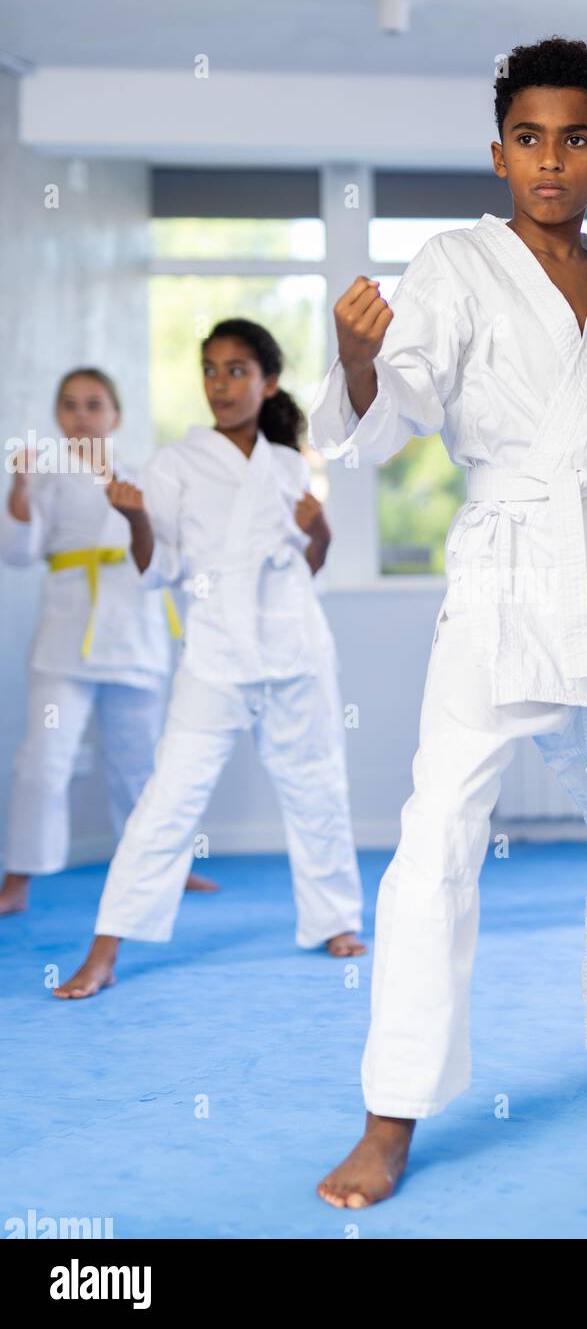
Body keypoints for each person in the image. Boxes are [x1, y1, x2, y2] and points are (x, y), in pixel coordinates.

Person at [311, 36, 587, 1211]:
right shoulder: (458, 265)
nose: (550, 162)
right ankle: (391, 1110)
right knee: (436, 843)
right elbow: (391, 412)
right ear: (497, 153)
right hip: (506, 572)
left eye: (574, 140)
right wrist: (360, 361)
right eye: (528, 139)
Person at [54, 320, 364, 999]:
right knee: (167, 799)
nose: (220, 385)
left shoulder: (286, 463)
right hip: (217, 648)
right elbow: (155, 569)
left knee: (316, 784)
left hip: (294, 642)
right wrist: (134, 518)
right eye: (211, 370)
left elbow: (311, 564)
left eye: (237, 370)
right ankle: (105, 950)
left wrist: (323, 530)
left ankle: (334, 919)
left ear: (268, 381)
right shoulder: (172, 464)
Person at [0, 367, 214, 916]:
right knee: (43, 759)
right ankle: (19, 877)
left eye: (93, 404)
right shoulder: (45, 478)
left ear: (115, 415)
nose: (81, 415)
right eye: (69, 404)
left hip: (133, 631)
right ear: (57, 415)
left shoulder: (142, 475)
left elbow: (168, 550)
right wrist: (18, 485)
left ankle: (165, 867)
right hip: (67, 636)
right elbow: (20, 552)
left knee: (139, 762)